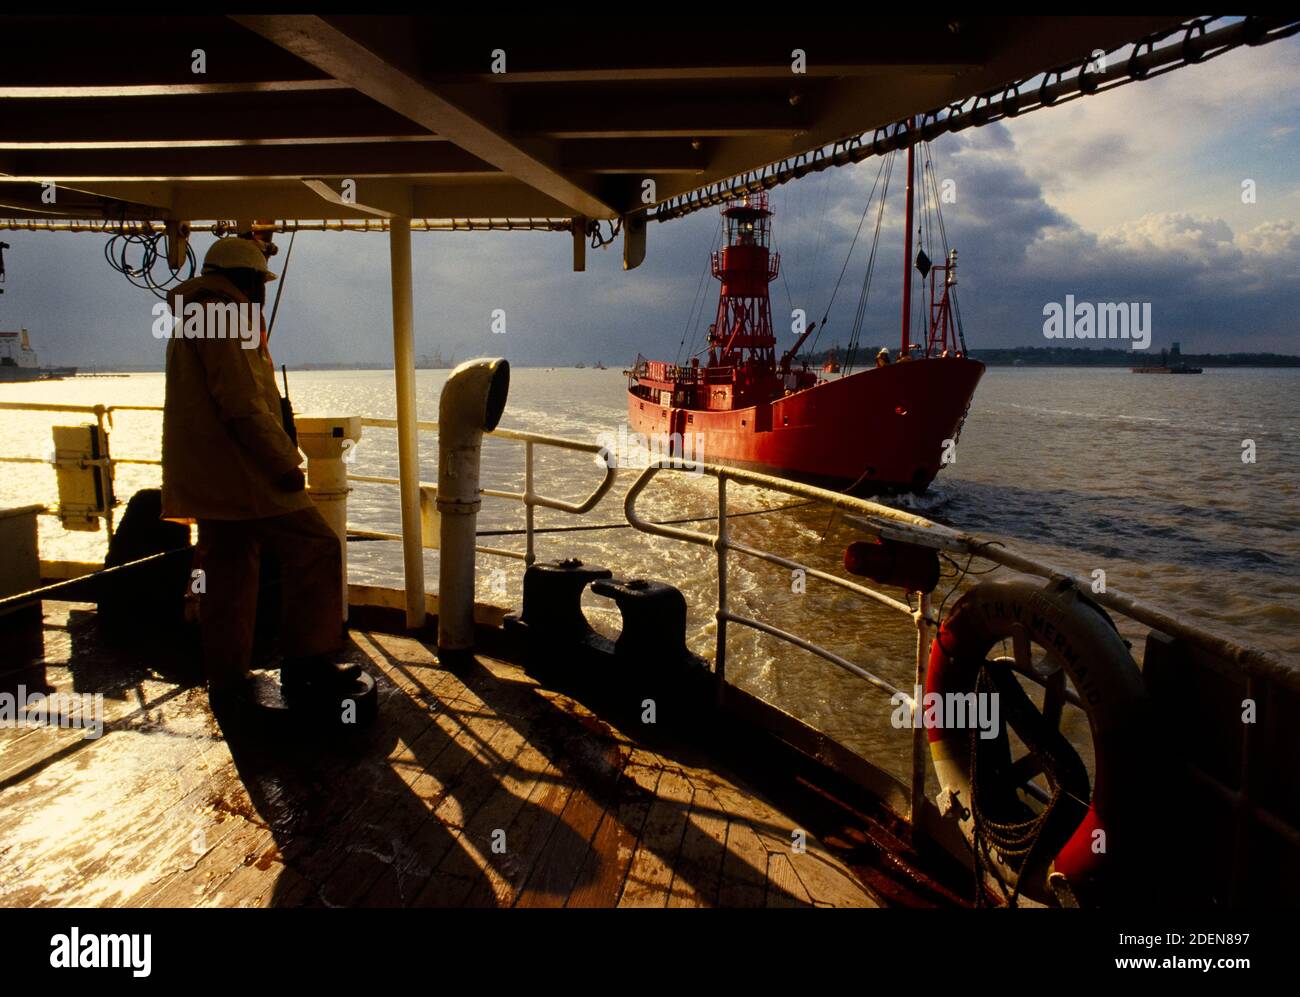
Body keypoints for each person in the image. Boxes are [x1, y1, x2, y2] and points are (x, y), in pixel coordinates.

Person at [161, 237, 357, 716]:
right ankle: (308, 663)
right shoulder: (225, 314)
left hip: (212, 480)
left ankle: (227, 679)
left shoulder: (195, 313)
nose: (261, 293)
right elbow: (243, 402)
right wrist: (284, 464)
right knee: (316, 547)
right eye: (258, 283)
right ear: (245, 279)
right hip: (246, 476)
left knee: (227, 575)